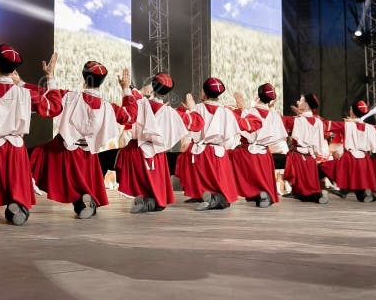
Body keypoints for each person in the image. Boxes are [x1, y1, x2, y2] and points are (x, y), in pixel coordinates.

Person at [0, 45, 62, 226]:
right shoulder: (25, 94)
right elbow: (54, 106)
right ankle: (17, 204)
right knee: (17, 188)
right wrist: (49, 76)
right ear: (14, 70)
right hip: (15, 149)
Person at [27, 56, 137, 219]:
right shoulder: (108, 107)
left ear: (84, 79)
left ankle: (15, 199)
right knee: (82, 183)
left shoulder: (70, 97)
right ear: (102, 82)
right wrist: (126, 89)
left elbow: (47, 95)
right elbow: (130, 116)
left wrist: (35, 79)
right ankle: (83, 202)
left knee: (28, 157)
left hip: (63, 150)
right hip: (87, 155)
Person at [113, 73, 203, 213]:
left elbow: (129, 107)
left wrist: (127, 88)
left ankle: (145, 199)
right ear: (168, 92)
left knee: (140, 180)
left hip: (137, 150)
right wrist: (192, 108)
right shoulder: (171, 113)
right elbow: (198, 123)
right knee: (155, 183)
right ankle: (152, 200)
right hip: (157, 154)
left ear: (152, 87)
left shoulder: (139, 103)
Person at [177, 77, 261, 211]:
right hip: (219, 153)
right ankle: (206, 196)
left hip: (201, 153)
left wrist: (189, 109)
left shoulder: (197, 108)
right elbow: (253, 123)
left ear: (203, 93)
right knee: (215, 180)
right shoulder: (228, 111)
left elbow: (180, 120)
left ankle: (215, 198)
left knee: (192, 166)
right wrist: (244, 108)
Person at [232, 84, 288, 208]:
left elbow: (238, 125)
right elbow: (279, 137)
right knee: (263, 177)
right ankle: (262, 193)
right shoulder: (275, 116)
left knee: (229, 159)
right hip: (264, 152)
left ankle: (223, 192)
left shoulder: (248, 111)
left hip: (247, 152)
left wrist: (240, 107)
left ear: (258, 95)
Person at [320, 101, 376, 202]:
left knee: (325, 167)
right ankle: (365, 195)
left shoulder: (346, 125)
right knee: (359, 181)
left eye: (350, 109)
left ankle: (342, 190)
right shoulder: (370, 128)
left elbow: (327, 125)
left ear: (352, 112)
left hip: (350, 157)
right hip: (364, 158)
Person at [281, 94, 330, 204]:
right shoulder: (318, 121)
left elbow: (280, 121)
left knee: (305, 191)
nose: (299, 101)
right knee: (307, 186)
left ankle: (317, 195)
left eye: (302, 100)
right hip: (310, 157)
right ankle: (310, 194)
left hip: (299, 156)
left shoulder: (297, 120)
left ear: (307, 105)